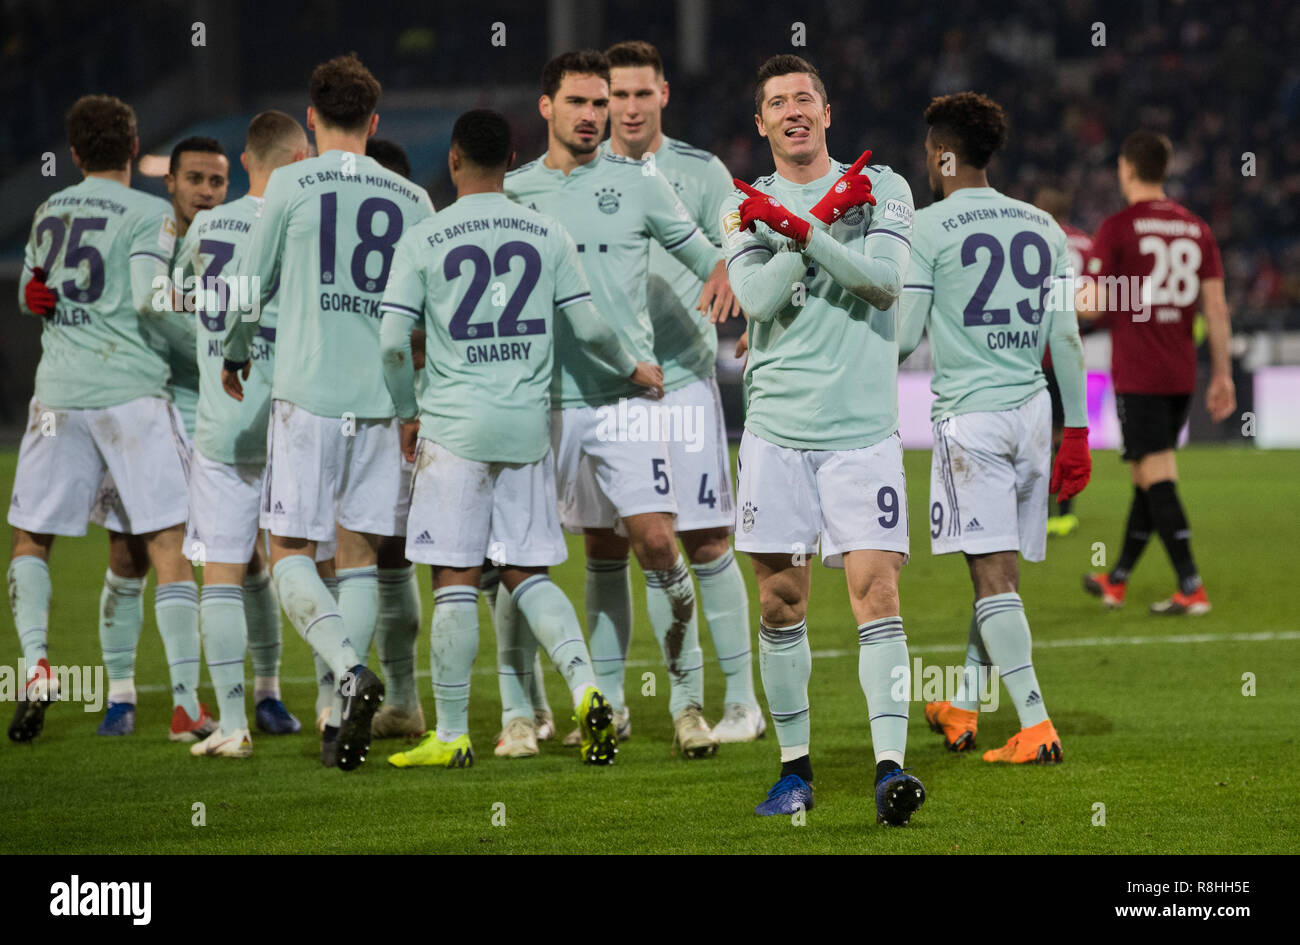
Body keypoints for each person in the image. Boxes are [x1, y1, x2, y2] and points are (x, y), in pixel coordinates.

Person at [379, 109, 663, 767]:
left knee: (454, 577)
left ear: (453, 160)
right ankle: (588, 687)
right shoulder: (545, 230)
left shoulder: (425, 237)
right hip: (527, 426)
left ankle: (449, 734)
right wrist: (633, 366)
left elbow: (394, 343)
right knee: (527, 572)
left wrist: (405, 412)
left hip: (454, 426)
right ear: (511, 161)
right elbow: (590, 328)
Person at [502, 50, 729, 759]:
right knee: (564, 554)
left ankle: (689, 703)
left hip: (628, 399)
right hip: (543, 403)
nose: (595, 116)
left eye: (601, 104)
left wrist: (732, 278)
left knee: (657, 540)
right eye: (580, 103)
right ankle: (600, 703)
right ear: (547, 107)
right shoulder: (513, 192)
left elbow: (709, 253)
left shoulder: (641, 185)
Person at [720, 54, 925, 824]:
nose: (792, 110)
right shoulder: (741, 203)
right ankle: (794, 770)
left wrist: (800, 229)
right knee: (780, 603)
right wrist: (815, 229)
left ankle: (890, 770)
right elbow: (757, 299)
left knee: (877, 591)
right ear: (762, 122)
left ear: (827, 111)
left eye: (804, 97)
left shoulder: (885, 188)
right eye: (777, 101)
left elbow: (884, 284)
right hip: (775, 432)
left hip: (862, 431)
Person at [223, 53, 434, 770]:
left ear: (311, 119)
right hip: (380, 399)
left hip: (308, 394)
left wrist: (234, 350)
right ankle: (341, 712)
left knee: (285, 551)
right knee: (361, 557)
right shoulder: (411, 198)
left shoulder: (288, 181)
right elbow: (420, 317)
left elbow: (250, 282)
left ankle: (347, 671)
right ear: (374, 124)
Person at [898, 92, 1091, 765]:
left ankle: (1036, 724)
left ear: (941, 154)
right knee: (998, 573)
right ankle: (962, 702)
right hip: (1035, 414)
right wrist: (1081, 431)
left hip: (972, 420)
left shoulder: (927, 228)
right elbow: (1064, 336)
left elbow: (898, 338)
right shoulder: (1044, 225)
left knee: (994, 578)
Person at [8, 95, 207, 743]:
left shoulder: (48, 209)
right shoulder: (152, 212)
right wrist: (207, 358)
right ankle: (184, 706)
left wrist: (43, 300)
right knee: (169, 544)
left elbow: (29, 293)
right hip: (128, 393)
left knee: (33, 537)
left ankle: (36, 664)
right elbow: (156, 306)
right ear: (133, 147)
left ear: (72, 154)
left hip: (57, 397)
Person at [177, 111, 311, 757]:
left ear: (248, 159)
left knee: (223, 575)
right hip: (295, 420)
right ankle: (332, 703)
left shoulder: (203, 225)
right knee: (320, 567)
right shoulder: (303, 222)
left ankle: (233, 725)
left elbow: (171, 300)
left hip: (222, 427)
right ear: (292, 161)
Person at [1081, 131, 1234, 615]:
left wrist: (1068, 299)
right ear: (1163, 169)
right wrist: (1223, 374)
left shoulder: (1119, 228)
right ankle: (1118, 579)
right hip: (1181, 373)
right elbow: (1216, 306)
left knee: (1157, 474)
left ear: (1126, 168)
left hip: (1140, 374)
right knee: (1147, 476)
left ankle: (1191, 585)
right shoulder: (1196, 228)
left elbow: (1097, 302)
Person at [1034, 185, 1095, 538]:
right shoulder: (1086, 242)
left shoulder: (1034, 235)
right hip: (1070, 349)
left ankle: (1040, 509)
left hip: (1036, 348)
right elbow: (1093, 302)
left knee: (1039, 435)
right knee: (1068, 430)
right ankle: (1066, 512)